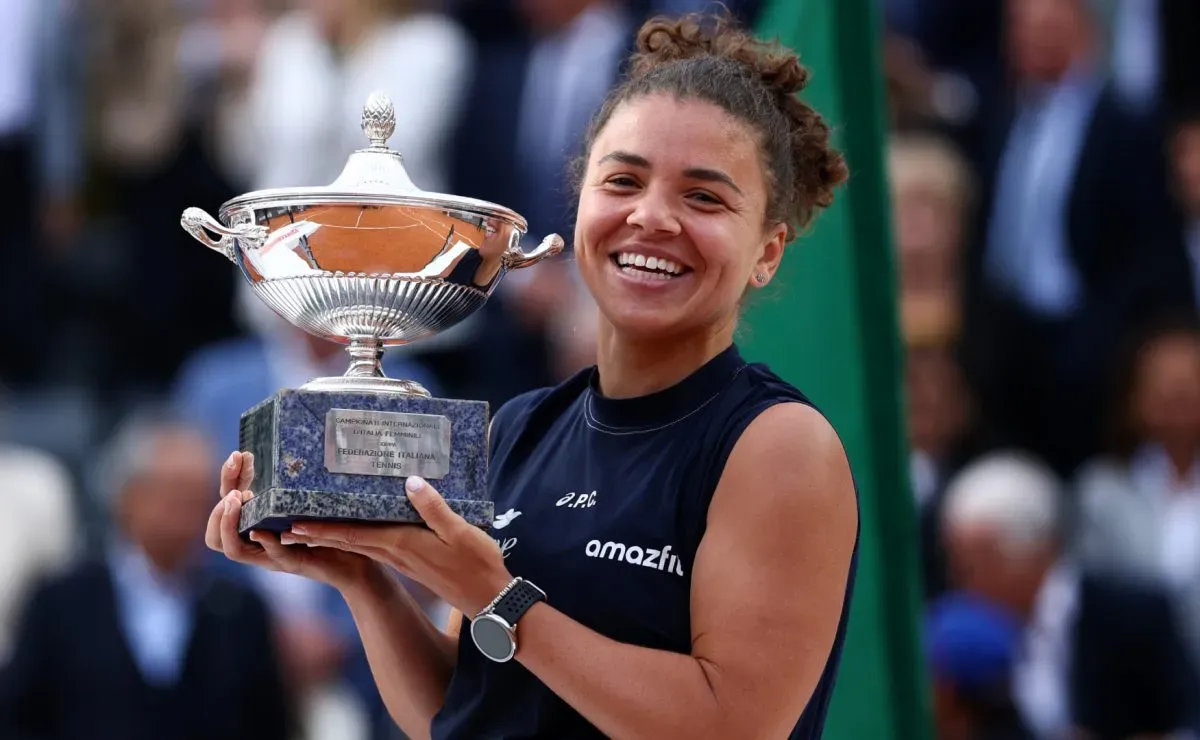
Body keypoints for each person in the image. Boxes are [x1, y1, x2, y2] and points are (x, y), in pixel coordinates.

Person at [205, 12, 860, 740]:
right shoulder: (519, 428)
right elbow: (456, 712)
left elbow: (729, 727)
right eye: (624, 180)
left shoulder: (778, 446)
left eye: (703, 197)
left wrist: (494, 593)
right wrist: (363, 574)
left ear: (767, 251)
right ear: (579, 205)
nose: (652, 217)